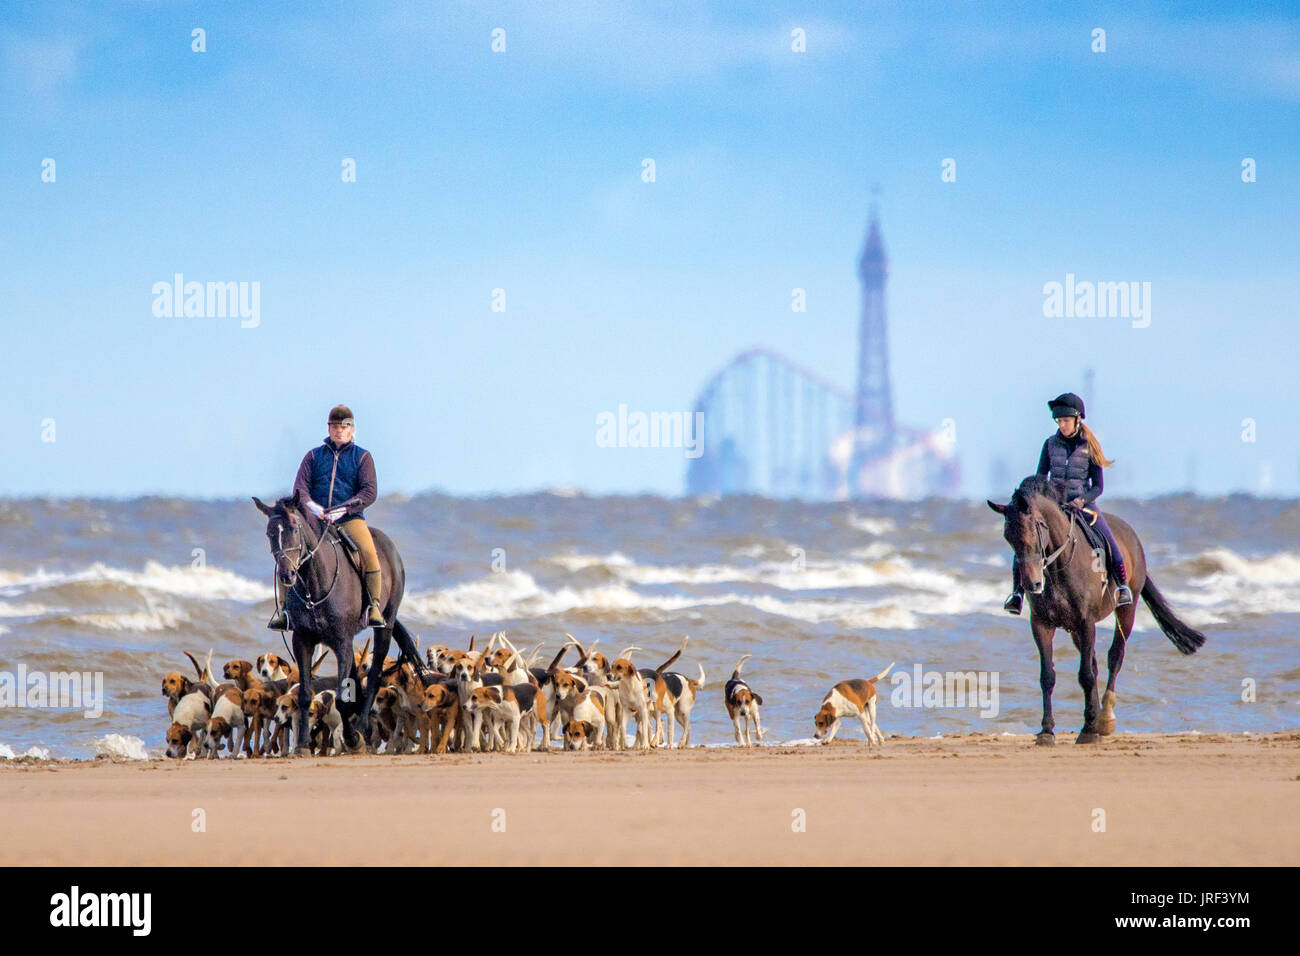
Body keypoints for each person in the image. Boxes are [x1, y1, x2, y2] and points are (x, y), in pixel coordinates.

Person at [1004, 392, 1133, 615]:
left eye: (1065, 421)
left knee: (1109, 541)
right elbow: (1040, 476)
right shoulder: (1049, 444)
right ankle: (1017, 594)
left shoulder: (1089, 447)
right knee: (1025, 543)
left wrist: (1082, 500)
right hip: (1054, 508)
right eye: (1059, 421)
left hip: (1083, 505)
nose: (1062, 425)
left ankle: (1121, 587)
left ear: (1077, 420)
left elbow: (1098, 486)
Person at [267, 404, 386, 629]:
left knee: (369, 553)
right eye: (334, 426)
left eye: (344, 426)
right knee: (286, 554)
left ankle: (374, 607)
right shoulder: (313, 456)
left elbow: (369, 491)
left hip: (349, 518)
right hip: (315, 518)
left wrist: (344, 508)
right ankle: (283, 611)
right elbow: (300, 488)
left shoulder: (363, 457)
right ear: (328, 429)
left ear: (352, 430)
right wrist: (312, 507)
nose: (339, 430)